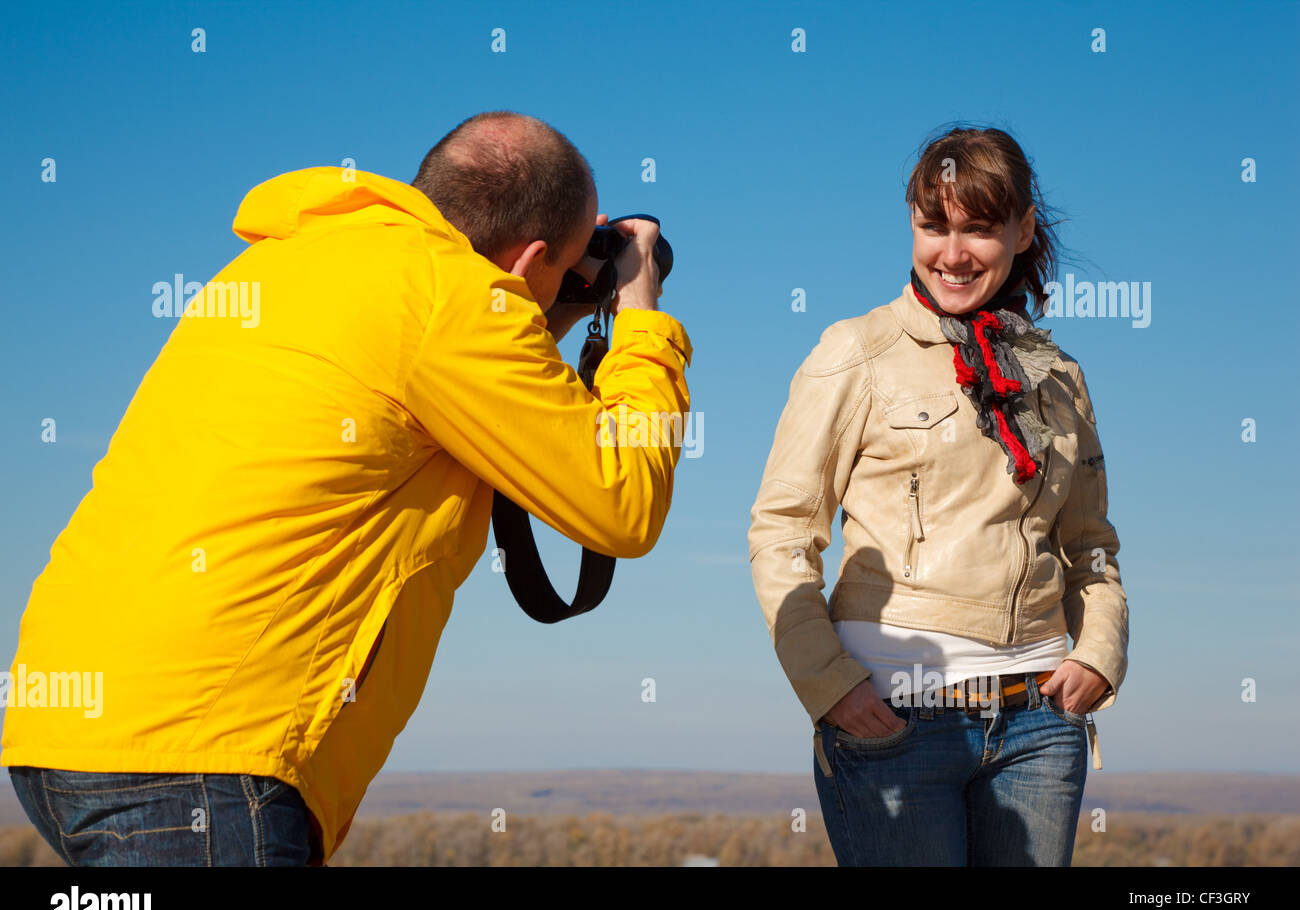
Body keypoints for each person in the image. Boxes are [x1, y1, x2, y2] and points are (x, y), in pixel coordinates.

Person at [2, 110, 693, 866]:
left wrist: (546, 308)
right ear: (529, 259)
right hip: (205, 757)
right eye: (562, 268)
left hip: (67, 731)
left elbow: (429, 394)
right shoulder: (452, 300)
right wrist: (638, 316)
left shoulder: (296, 260)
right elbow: (621, 503)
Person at [747, 126, 1128, 866]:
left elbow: (1089, 543)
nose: (952, 253)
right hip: (893, 722)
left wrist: (1101, 653)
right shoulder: (854, 353)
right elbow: (783, 532)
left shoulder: (1058, 374)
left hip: (1040, 727)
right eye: (935, 226)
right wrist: (828, 687)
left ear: (1021, 231)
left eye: (980, 229)